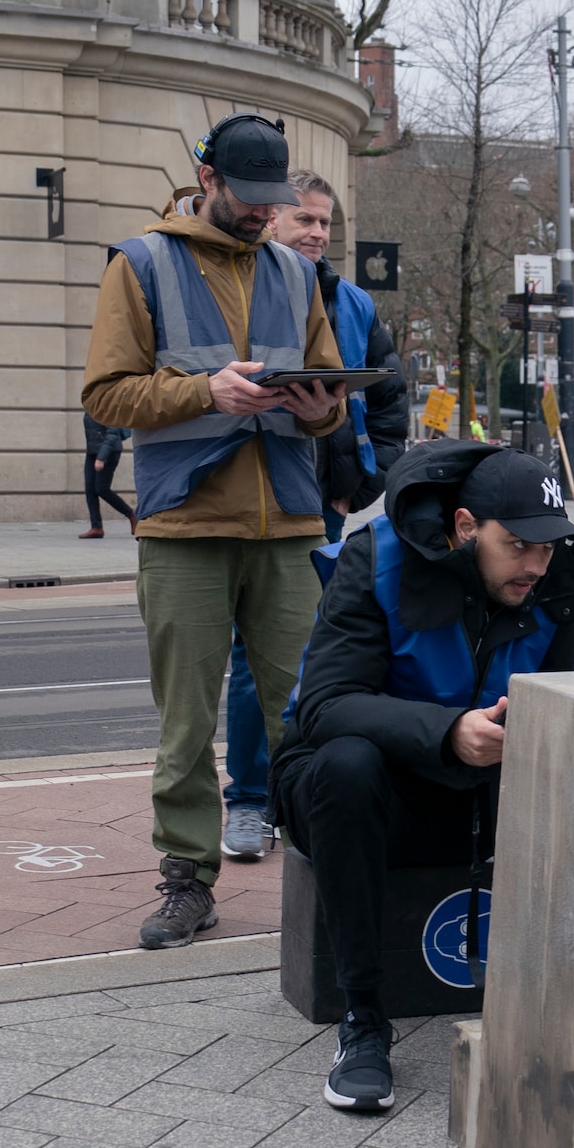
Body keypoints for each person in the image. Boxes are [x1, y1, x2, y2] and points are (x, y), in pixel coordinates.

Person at [274, 443, 574, 1110]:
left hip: (472, 794)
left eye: (548, 547)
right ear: (463, 527)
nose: (537, 565)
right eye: (518, 546)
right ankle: (364, 1020)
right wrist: (449, 732)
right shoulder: (376, 560)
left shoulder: (552, 574)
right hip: (361, 791)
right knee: (347, 762)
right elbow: (326, 705)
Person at [84, 112, 349, 950]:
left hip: (290, 523)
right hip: (185, 522)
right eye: (250, 198)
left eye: (276, 201)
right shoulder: (141, 263)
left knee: (310, 715)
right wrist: (208, 393)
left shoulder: (297, 273)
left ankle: (332, 880)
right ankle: (187, 882)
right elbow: (106, 395)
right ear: (209, 181)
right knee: (187, 722)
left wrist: (321, 407)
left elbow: (330, 392)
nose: (265, 216)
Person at [213, 171, 412, 863]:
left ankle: (298, 796)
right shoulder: (241, 292)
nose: (318, 233)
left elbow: (387, 400)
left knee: (312, 655)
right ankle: (247, 799)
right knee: (251, 656)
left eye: (326, 223)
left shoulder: (350, 303)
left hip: (320, 506)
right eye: (305, 220)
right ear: (270, 219)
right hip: (241, 498)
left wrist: (359, 488)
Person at [81, 412, 133, 538]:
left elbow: (113, 433)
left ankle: (131, 514)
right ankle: (97, 527)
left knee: (102, 489)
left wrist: (101, 457)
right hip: (93, 451)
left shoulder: (106, 404)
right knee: (90, 489)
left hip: (109, 451)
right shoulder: (91, 404)